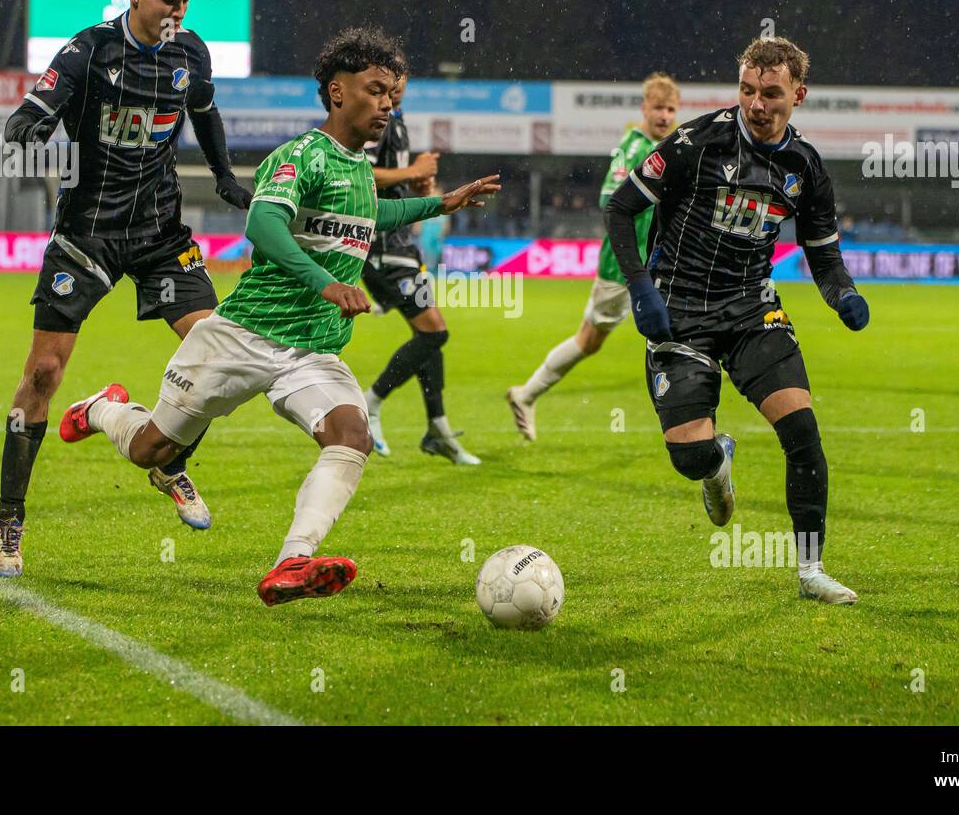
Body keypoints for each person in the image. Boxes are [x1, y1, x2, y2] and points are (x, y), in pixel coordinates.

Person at [58, 27, 501, 606]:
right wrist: (327, 283)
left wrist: (438, 202)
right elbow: (262, 225)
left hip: (311, 354)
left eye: (393, 93)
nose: (388, 104)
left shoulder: (360, 171)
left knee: (351, 435)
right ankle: (102, 408)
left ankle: (293, 561)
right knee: (151, 451)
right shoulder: (302, 155)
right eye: (375, 90)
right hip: (241, 338)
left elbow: (373, 213)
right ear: (337, 93)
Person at [0, 0, 252, 578]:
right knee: (44, 373)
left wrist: (222, 178)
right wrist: (26, 131)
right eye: (168, 0)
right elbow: (31, 113)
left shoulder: (190, 53)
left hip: (161, 233)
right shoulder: (87, 52)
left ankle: (167, 463)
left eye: (187, 1)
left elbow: (206, 113)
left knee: (219, 354)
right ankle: (8, 522)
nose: (178, 13)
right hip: (88, 234)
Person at [603, 37, 870, 605]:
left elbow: (822, 254)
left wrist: (842, 292)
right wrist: (640, 286)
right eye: (747, 90)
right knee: (689, 457)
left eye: (770, 93)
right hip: (679, 313)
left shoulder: (806, 167)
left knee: (802, 433)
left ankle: (811, 571)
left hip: (752, 308)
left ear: (797, 95)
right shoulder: (697, 142)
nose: (756, 104)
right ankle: (716, 461)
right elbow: (620, 207)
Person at [507, 73, 680, 439]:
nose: (664, 115)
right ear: (643, 109)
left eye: (670, 109)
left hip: (658, 263)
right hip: (623, 265)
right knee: (590, 340)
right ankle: (526, 393)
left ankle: (689, 417)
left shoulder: (667, 148)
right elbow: (610, 202)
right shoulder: (633, 149)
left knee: (683, 328)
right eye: (658, 108)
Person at [360, 66, 479, 464]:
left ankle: (438, 428)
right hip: (379, 243)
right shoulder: (370, 120)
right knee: (433, 333)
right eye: (387, 88)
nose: (392, 96)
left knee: (433, 331)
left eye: (399, 88)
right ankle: (370, 403)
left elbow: (394, 181)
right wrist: (412, 172)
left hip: (403, 244)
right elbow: (359, 175)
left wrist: (418, 185)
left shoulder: (398, 120)